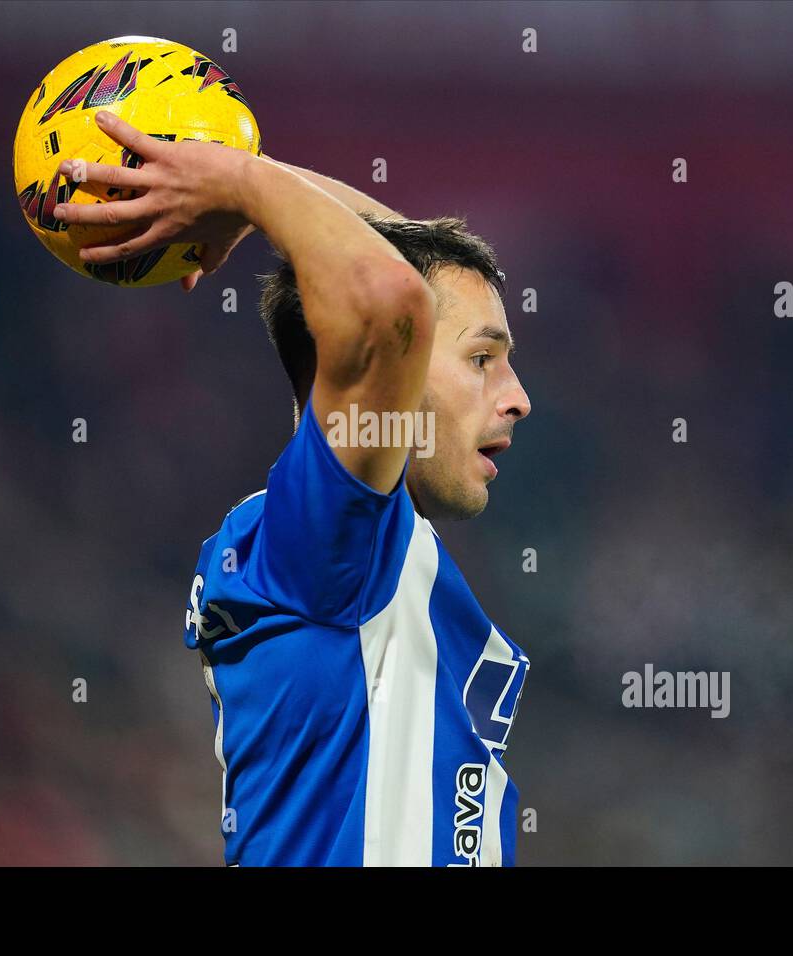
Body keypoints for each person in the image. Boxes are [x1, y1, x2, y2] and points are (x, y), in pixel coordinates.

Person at [54, 111, 532, 866]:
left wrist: (240, 192)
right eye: (482, 360)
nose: (517, 397)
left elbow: (409, 261)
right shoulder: (327, 540)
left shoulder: (346, 538)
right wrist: (238, 184)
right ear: (376, 363)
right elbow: (395, 296)